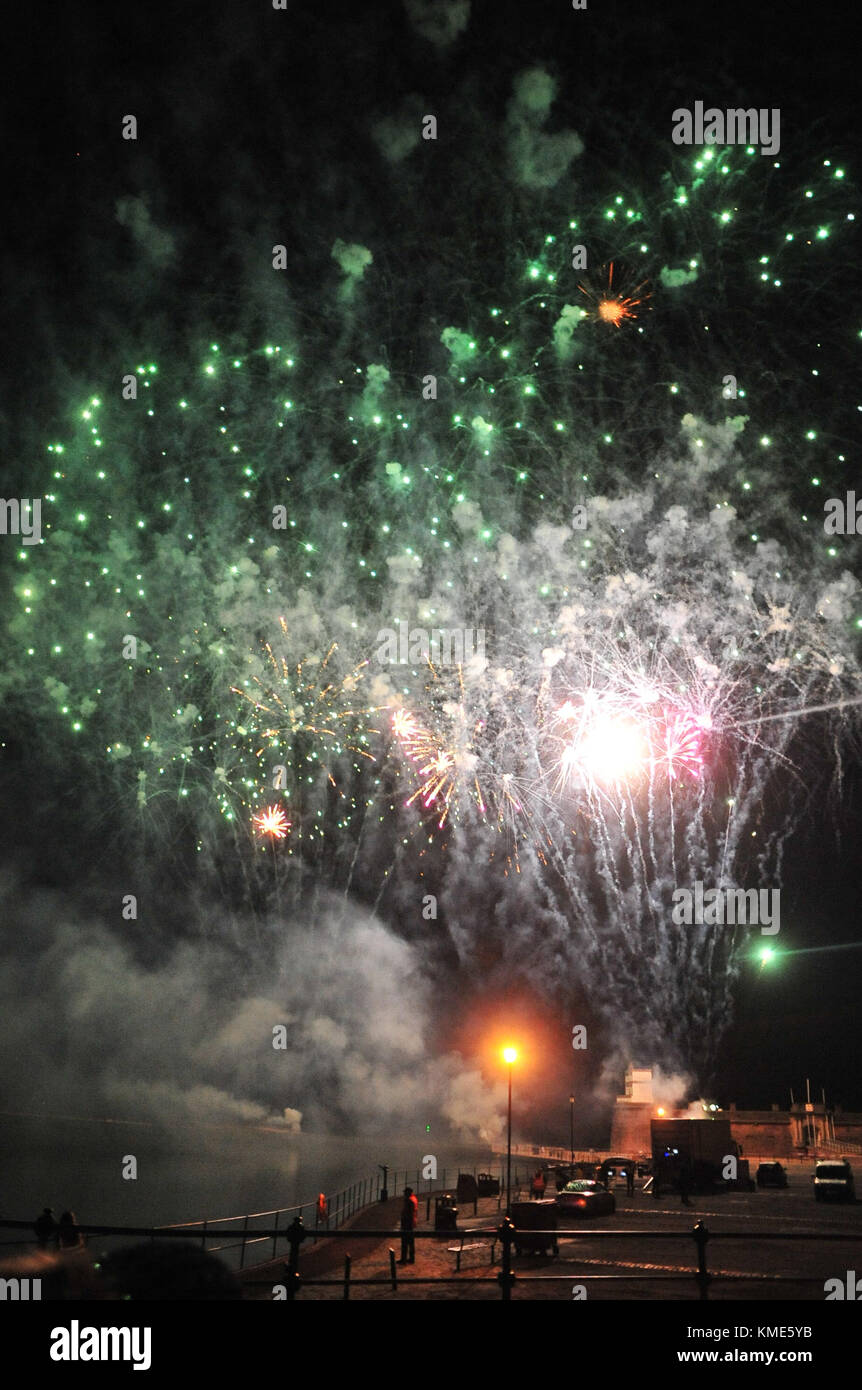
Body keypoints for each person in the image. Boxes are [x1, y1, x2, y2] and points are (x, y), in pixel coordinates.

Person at [398, 1186, 418, 1264]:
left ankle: (404, 1259)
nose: (404, 1194)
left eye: (405, 1193)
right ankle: (411, 1258)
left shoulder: (409, 1201)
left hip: (407, 1224)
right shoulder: (414, 1199)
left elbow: (407, 1213)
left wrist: (403, 1222)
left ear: (407, 1193)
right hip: (411, 1223)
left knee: (404, 1242)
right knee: (411, 1242)